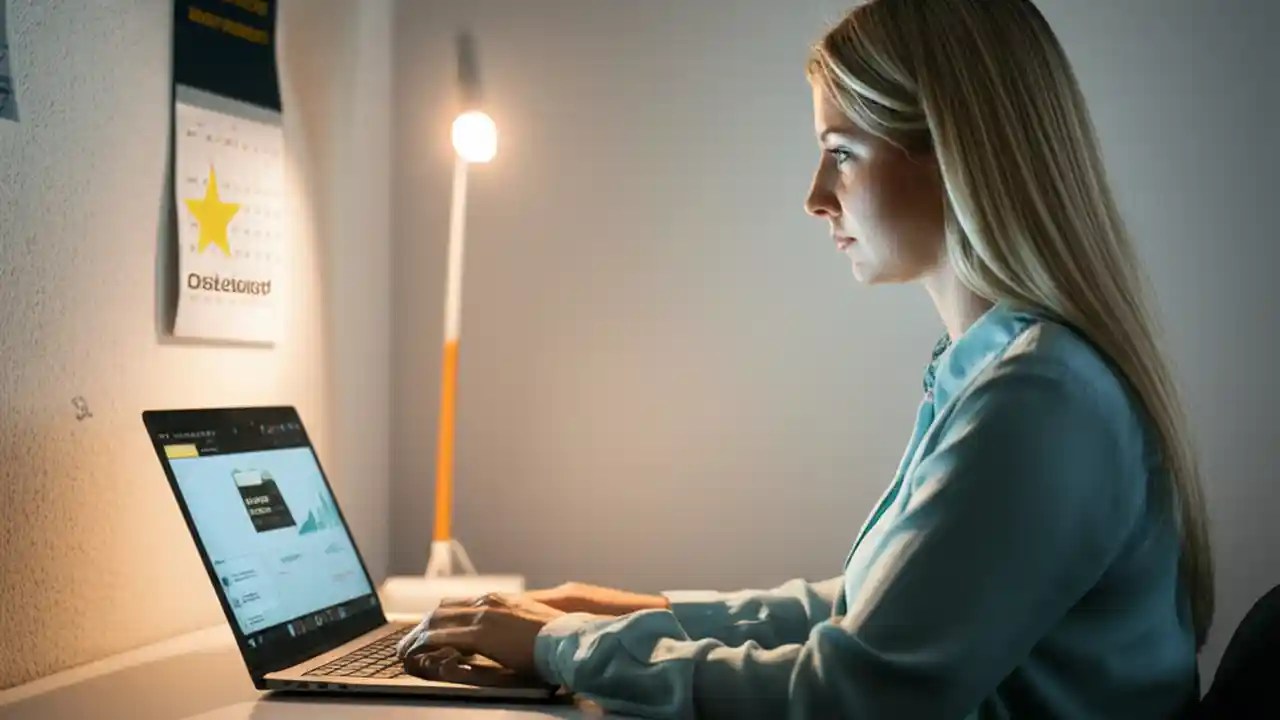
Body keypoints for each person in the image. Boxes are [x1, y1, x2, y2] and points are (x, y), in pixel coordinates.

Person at [397, 0, 1214, 717]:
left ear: (951, 149)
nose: (816, 195)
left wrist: (563, 648)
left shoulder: (1041, 400)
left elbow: (854, 694)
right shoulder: (1000, 373)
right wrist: (619, 612)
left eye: (842, 151)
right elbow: (862, 611)